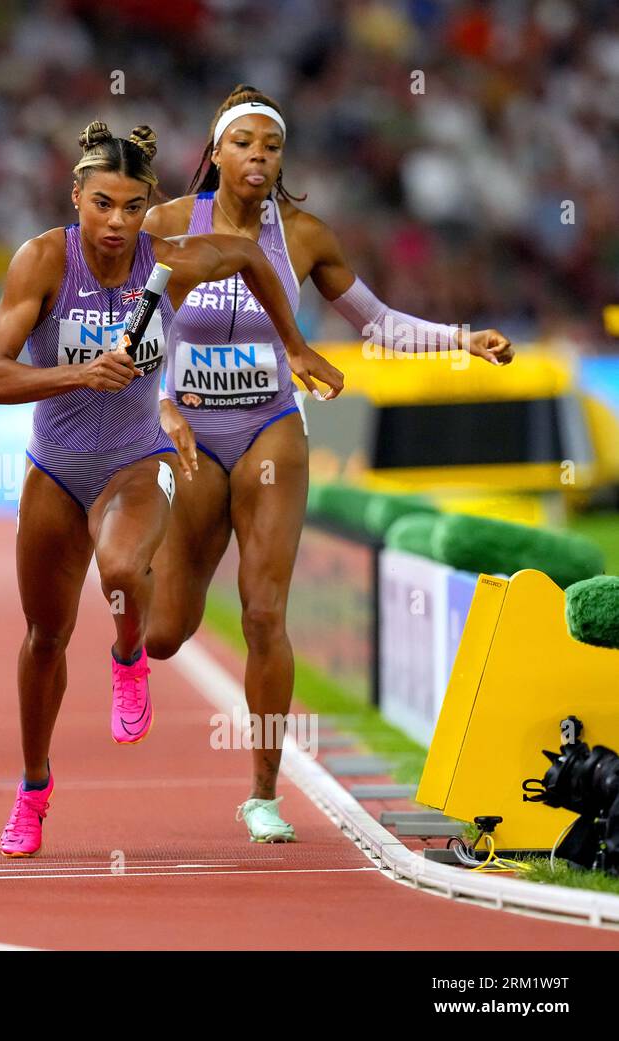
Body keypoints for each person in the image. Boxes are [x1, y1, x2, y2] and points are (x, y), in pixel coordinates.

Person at [143, 85, 509, 842]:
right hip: (190, 436)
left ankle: (262, 792)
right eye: (243, 144)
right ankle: (131, 630)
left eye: (271, 147)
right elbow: (130, 323)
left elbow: (376, 322)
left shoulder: (304, 235)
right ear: (215, 153)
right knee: (166, 632)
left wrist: (460, 339)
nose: (258, 158)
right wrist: (158, 403)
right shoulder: (168, 226)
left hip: (271, 426)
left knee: (264, 609)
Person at [0, 121, 341, 857]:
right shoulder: (44, 261)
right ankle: (33, 785)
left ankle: (126, 655)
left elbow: (246, 255)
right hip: (54, 467)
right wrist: (79, 373)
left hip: (136, 460)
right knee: (45, 637)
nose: (117, 223)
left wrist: (294, 342)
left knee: (120, 568)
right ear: (76, 196)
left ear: (151, 206)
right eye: (103, 204)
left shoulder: (168, 264)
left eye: (133, 207)